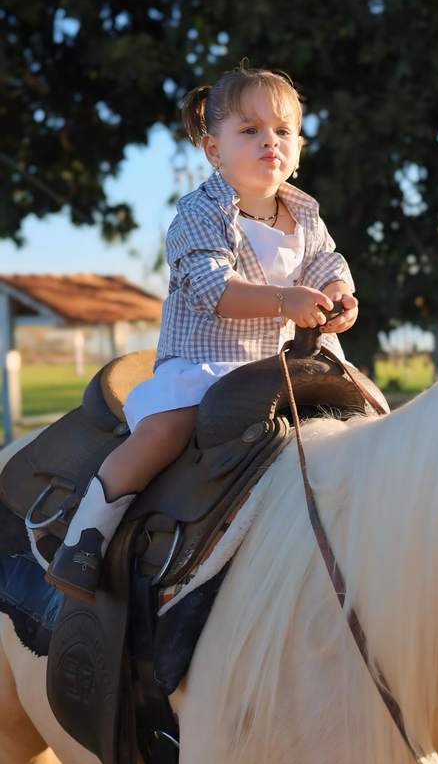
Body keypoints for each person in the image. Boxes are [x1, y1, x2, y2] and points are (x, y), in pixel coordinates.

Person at [45, 63, 359, 602]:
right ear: (214, 150)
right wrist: (287, 301)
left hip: (287, 366)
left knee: (363, 414)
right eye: (250, 130)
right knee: (166, 430)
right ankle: (86, 533)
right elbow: (214, 289)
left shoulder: (306, 216)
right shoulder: (200, 213)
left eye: (283, 131)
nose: (270, 143)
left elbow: (327, 265)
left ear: (300, 147)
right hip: (210, 366)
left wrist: (341, 297)